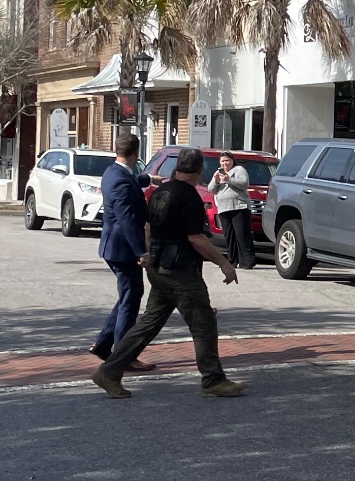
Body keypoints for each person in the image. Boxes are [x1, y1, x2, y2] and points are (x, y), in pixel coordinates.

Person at [93, 146, 246, 399]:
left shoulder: (160, 192)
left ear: (178, 167)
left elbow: (148, 227)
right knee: (203, 323)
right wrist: (224, 263)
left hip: (159, 267)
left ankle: (109, 371)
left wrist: (148, 255)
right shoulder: (188, 196)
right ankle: (213, 380)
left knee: (148, 324)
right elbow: (196, 238)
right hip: (180, 271)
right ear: (199, 169)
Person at [92, 134, 148, 367]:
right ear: (136, 153)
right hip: (122, 248)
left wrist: (149, 179)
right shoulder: (121, 180)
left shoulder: (112, 172)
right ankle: (123, 355)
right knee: (131, 298)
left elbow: (132, 180)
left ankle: (104, 343)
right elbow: (127, 219)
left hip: (114, 245)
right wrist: (141, 251)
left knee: (129, 295)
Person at [209, 153, 256, 269]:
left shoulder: (239, 170)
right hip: (223, 208)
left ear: (232, 160)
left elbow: (244, 183)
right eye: (222, 161)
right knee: (229, 236)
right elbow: (211, 189)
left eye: (227, 160)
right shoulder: (218, 173)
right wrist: (216, 180)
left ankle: (247, 261)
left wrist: (229, 179)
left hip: (239, 207)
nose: (225, 163)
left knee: (242, 235)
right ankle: (232, 261)